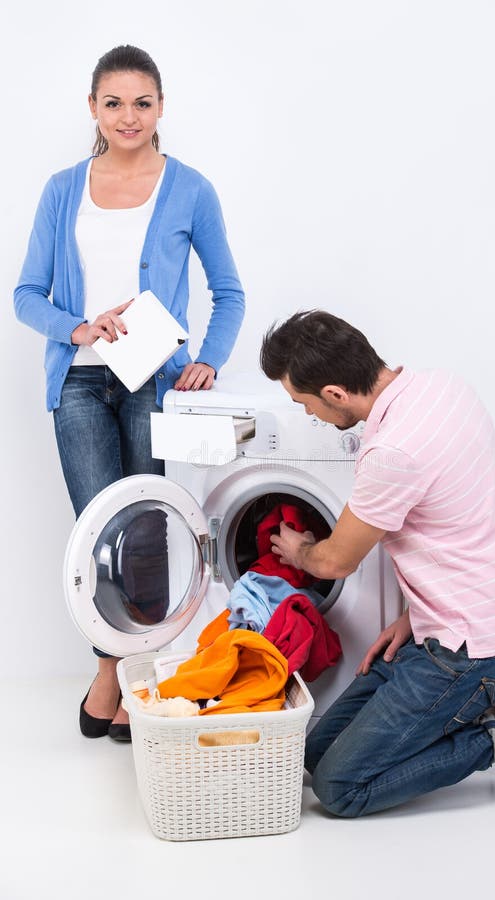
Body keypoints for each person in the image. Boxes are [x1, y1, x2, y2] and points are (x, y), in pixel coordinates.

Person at [260, 310, 495, 817]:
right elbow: (463, 518)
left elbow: (336, 560)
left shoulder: (392, 452)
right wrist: (415, 617)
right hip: (459, 625)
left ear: (336, 394)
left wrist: (296, 548)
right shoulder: (443, 388)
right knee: (316, 753)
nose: (310, 417)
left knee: (339, 788)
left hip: (469, 654)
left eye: (305, 405)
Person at [14, 45, 245, 743]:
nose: (128, 116)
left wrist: (206, 360)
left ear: (161, 107)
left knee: (146, 538)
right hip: (80, 382)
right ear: (93, 108)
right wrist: (79, 325)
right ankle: (115, 671)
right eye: (113, 102)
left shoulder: (190, 189)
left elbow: (227, 291)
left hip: (152, 385)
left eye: (142, 102)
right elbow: (26, 296)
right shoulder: (62, 189)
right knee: (98, 537)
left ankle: (124, 677)